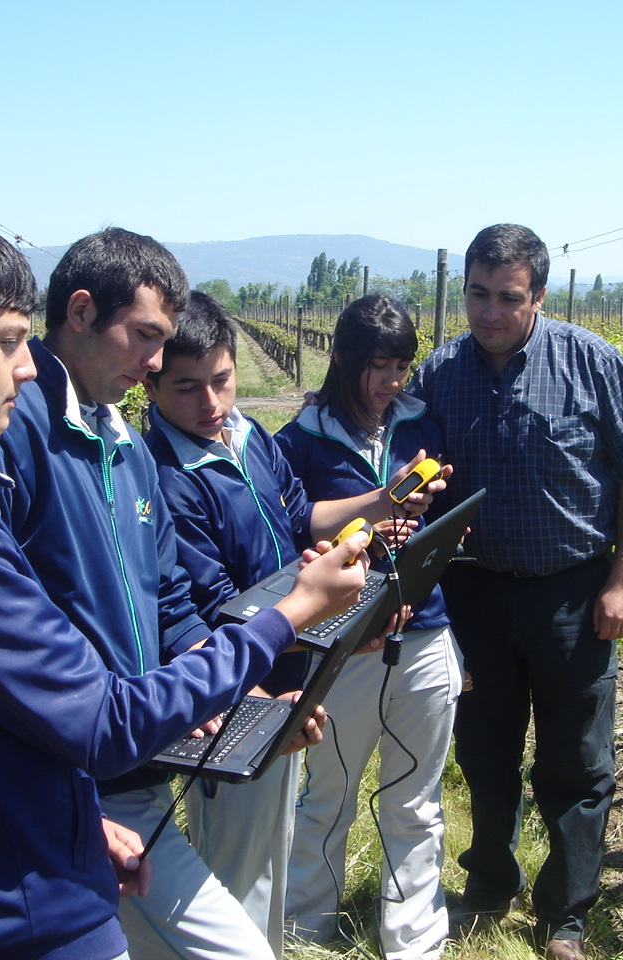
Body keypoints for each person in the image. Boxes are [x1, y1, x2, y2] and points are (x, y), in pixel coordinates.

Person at [0, 213, 369, 960]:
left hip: (56, 834)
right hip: (14, 897)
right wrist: (291, 613)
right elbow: (95, 717)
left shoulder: (84, 456)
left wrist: (78, 816)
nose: (28, 367)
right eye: (11, 341)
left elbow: (15, 682)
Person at [142, 291, 443, 956]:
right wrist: (314, 605)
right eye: (187, 388)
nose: (211, 402)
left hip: (284, 676)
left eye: (222, 380)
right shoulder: (165, 476)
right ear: (151, 381)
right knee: (234, 866)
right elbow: (208, 600)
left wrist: (381, 502)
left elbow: (300, 514)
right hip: (236, 691)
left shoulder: (245, 437)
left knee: (272, 848)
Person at [407, 223, 623, 960]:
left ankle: (565, 915)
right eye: (477, 295)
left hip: (572, 594)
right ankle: (489, 885)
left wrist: (622, 579)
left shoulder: (591, 362)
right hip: (475, 597)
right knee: (485, 754)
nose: (489, 312)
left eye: (508, 298)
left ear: (539, 296)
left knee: (576, 763)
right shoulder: (440, 372)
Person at [274, 293, 463, 960]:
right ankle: (305, 930)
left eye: (401, 367)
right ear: (347, 362)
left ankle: (414, 942)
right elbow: (294, 523)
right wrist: (378, 511)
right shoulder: (299, 440)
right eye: (378, 366)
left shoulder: (422, 426)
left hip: (425, 631)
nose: (390, 382)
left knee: (415, 801)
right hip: (344, 644)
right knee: (328, 797)